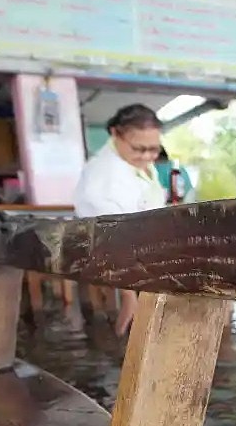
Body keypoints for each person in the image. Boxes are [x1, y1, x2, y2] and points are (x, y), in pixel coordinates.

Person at [72, 104, 168, 336]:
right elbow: (110, 235)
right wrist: (128, 295)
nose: (146, 156)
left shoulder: (135, 164)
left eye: (153, 150)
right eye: (139, 148)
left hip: (150, 251)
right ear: (115, 133)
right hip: (122, 261)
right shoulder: (103, 176)